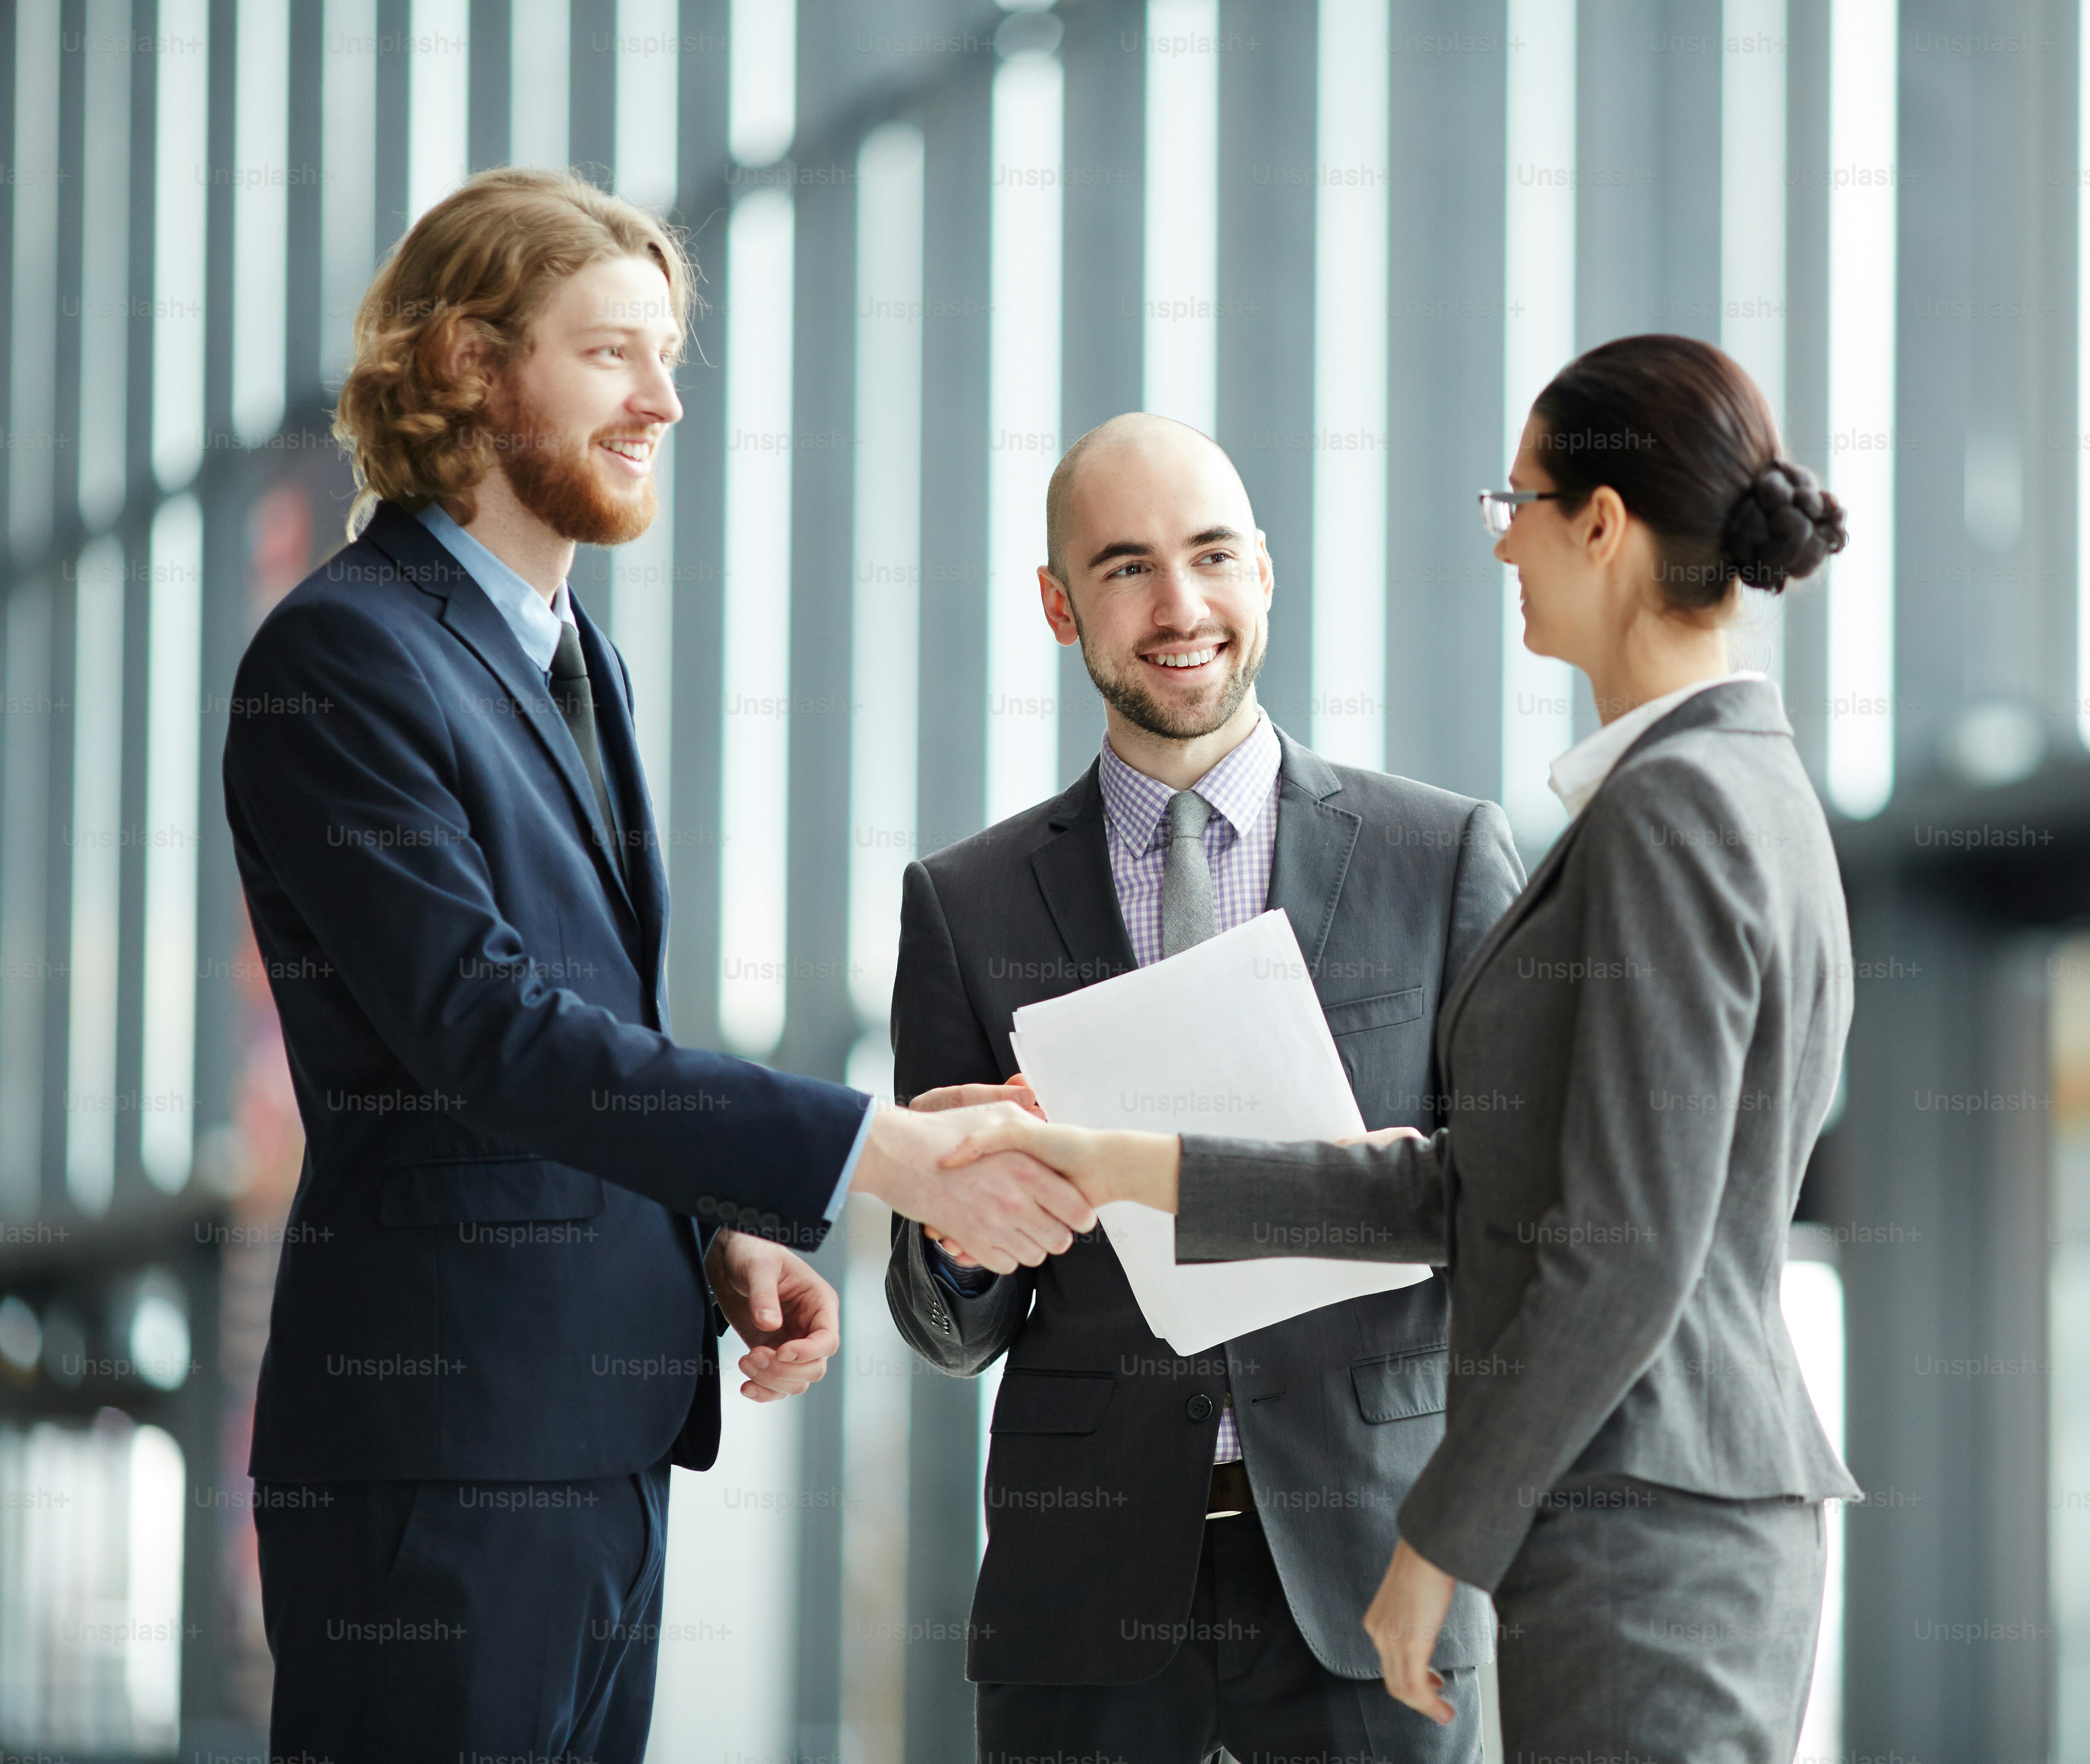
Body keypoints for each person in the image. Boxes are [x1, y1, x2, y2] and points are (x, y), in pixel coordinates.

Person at [220, 168, 1092, 1764]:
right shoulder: (344, 652)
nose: (666, 402)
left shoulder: (577, 663)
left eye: (669, 356)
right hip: (442, 1454)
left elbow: (584, 1027)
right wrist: (875, 1150)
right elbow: (485, 1027)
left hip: (597, 1441)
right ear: (470, 365)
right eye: (615, 353)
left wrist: (701, 1245)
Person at [943, 334, 1863, 1758]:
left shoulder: (1659, 814)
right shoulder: (1713, 787)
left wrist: (1441, 1535)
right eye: (1126, 566)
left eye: (1519, 508)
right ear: (1061, 607)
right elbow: (1472, 1183)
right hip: (1550, 1517)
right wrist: (1103, 1160)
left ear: (1601, 526)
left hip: (1626, 1509)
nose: (1504, 552)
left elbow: (1624, 1242)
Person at [888, 413, 1522, 1759]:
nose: (1180, 608)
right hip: (1087, 1594)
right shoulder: (964, 903)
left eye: (1212, 556)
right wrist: (956, 1240)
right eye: (1124, 569)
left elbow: (1512, 1216)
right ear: (1060, 606)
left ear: (1266, 576)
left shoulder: (1443, 855)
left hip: (1376, 1572)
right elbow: (948, 1325)